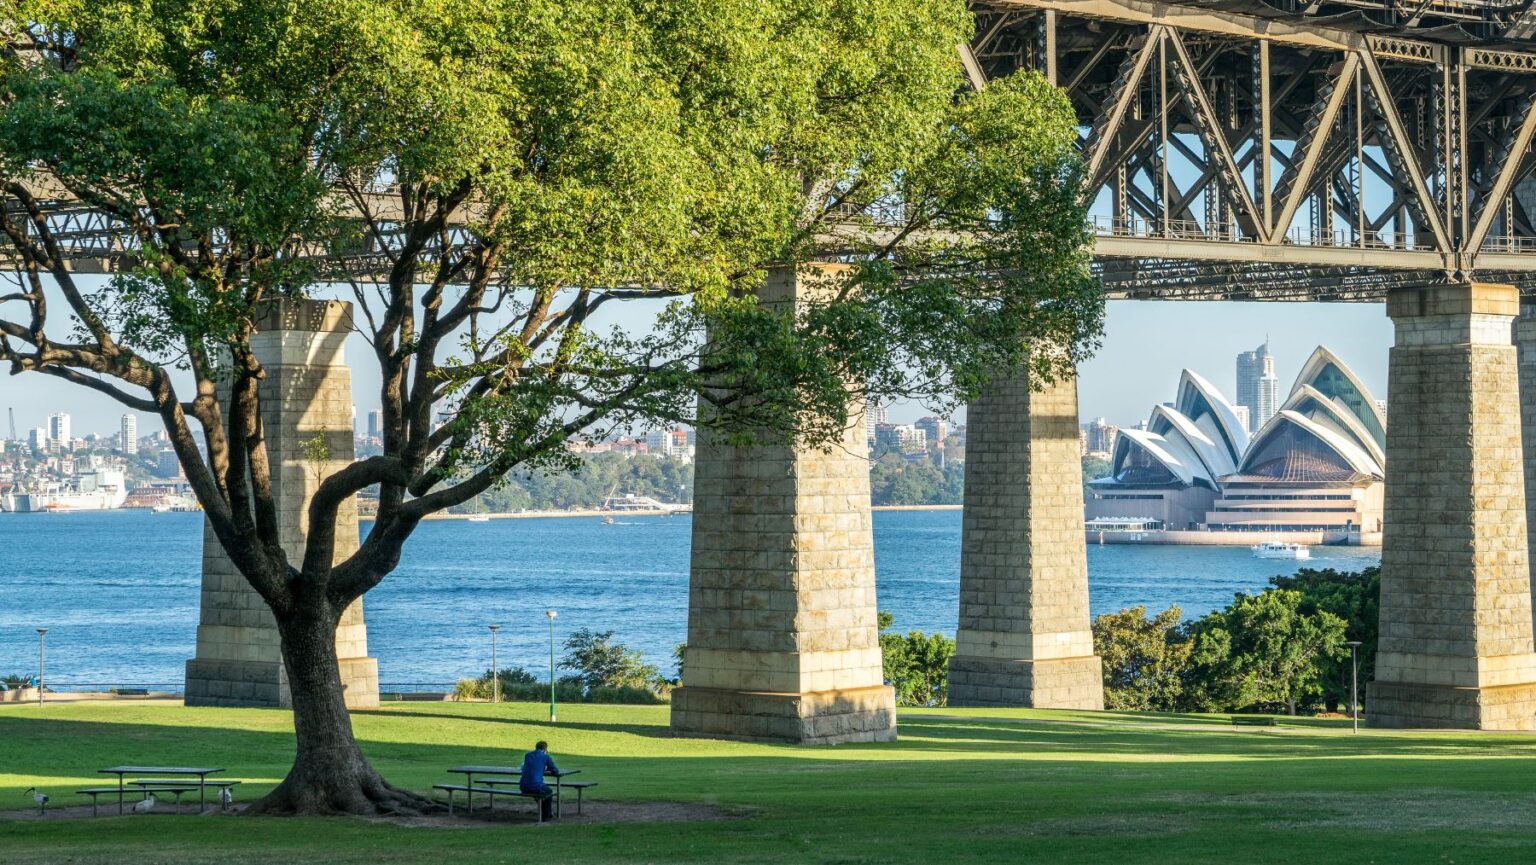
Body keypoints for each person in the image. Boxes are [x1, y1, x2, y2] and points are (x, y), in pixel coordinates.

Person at [519, 740, 561, 821]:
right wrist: (546, 767)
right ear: (545, 749)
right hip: (535, 786)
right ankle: (547, 815)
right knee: (549, 792)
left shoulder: (528, 755)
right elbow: (555, 771)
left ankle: (544, 813)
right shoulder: (545, 756)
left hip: (523, 786)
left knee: (540, 794)